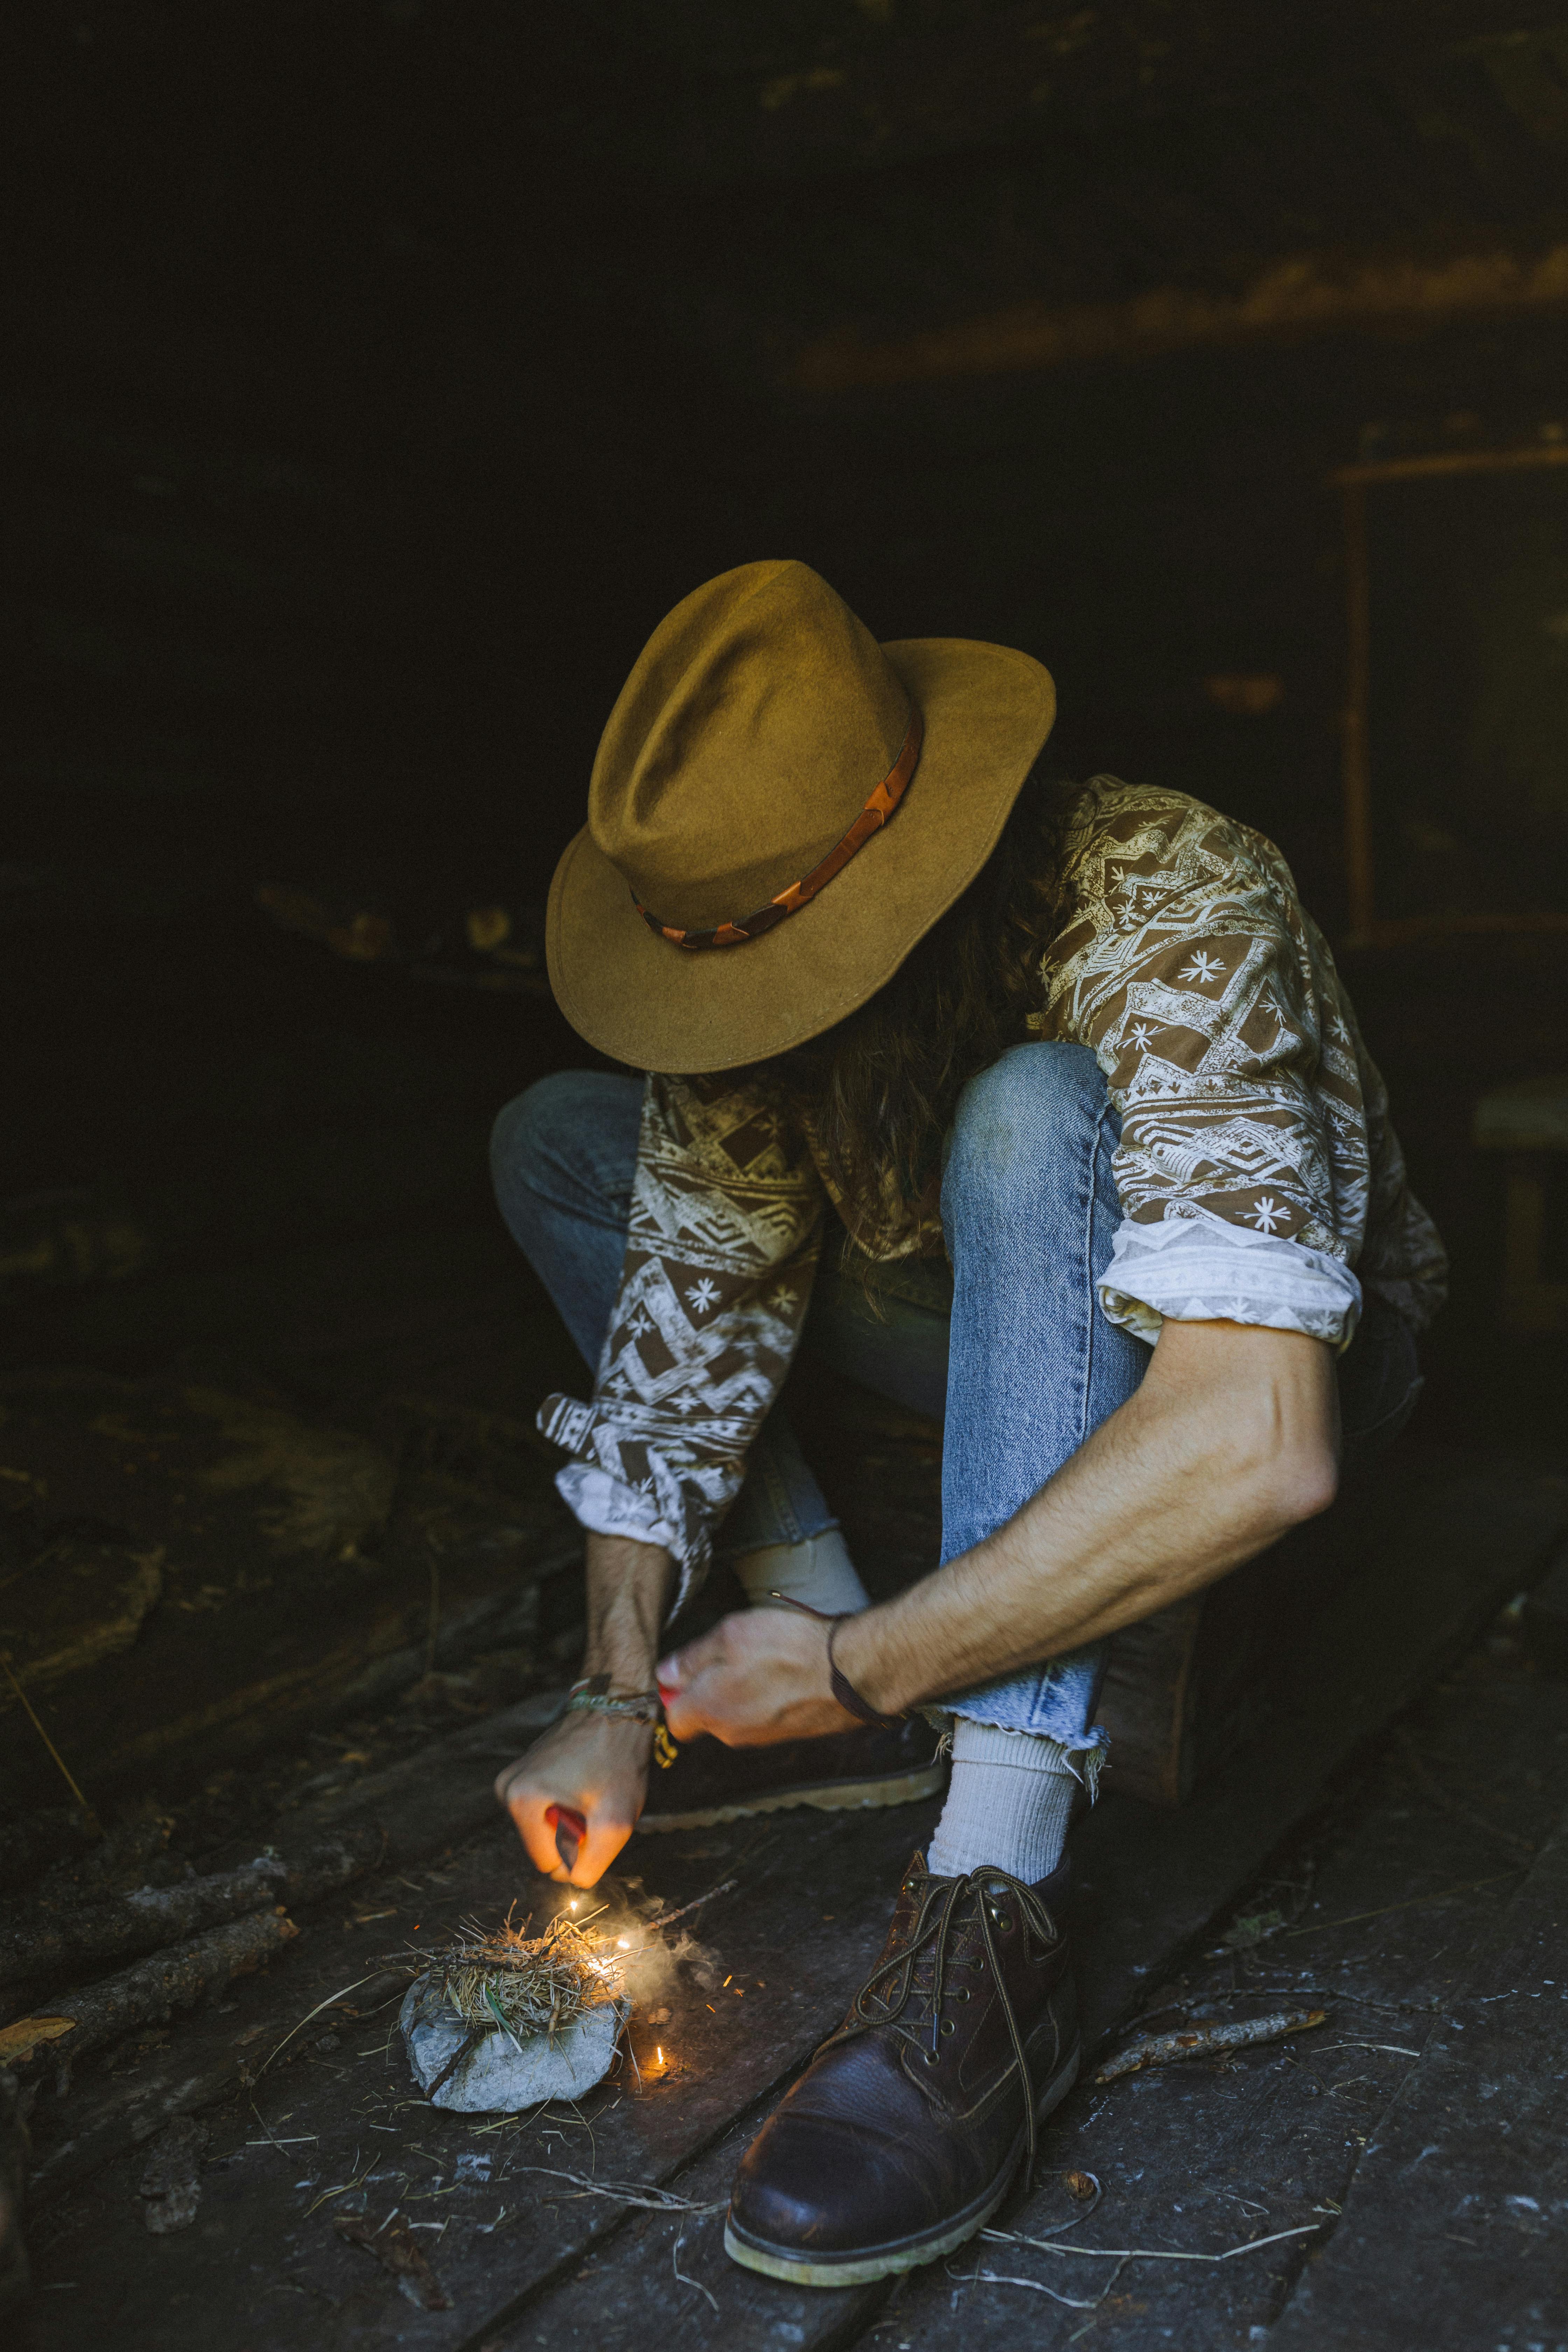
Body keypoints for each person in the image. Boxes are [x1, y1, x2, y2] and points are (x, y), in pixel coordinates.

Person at [488, 560, 1446, 2287]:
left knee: (1028, 1107)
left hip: (1262, 1340)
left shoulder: (1162, 884)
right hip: (956, 1294)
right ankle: (824, 1601)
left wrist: (867, 1679)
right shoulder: (742, 960)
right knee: (565, 1136)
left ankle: (987, 1895)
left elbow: (1259, 1434)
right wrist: (613, 1689)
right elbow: (679, 1333)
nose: (757, 1028)